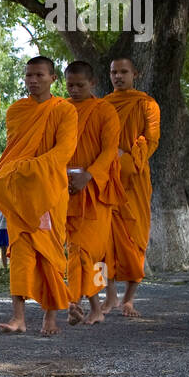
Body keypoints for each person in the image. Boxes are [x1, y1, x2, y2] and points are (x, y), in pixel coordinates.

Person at [0, 57, 77, 336]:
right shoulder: (17, 110)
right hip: (21, 193)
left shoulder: (65, 111)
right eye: (28, 76)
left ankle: (50, 318)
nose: (32, 80)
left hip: (49, 193)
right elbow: (15, 150)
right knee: (21, 254)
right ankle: (18, 318)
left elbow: (64, 150)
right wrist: (19, 170)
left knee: (49, 254)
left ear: (52, 78)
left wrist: (30, 168)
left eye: (39, 75)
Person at [101, 58, 161, 317]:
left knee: (135, 238)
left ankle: (129, 299)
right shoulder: (102, 105)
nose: (118, 76)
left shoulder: (146, 104)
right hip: (105, 179)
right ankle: (109, 294)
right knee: (102, 241)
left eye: (123, 72)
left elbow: (151, 140)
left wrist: (125, 158)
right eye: (114, 72)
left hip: (134, 180)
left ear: (135, 73)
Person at [64, 60, 121, 326]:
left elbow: (110, 150)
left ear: (93, 84)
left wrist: (89, 175)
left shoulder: (104, 111)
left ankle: (81, 302)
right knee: (75, 251)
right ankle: (86, 305)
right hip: (66, 186)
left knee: (89, 253)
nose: (74, 90)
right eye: (70, 85)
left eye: (80, 85)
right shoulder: (60, 109)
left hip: (96, 189)